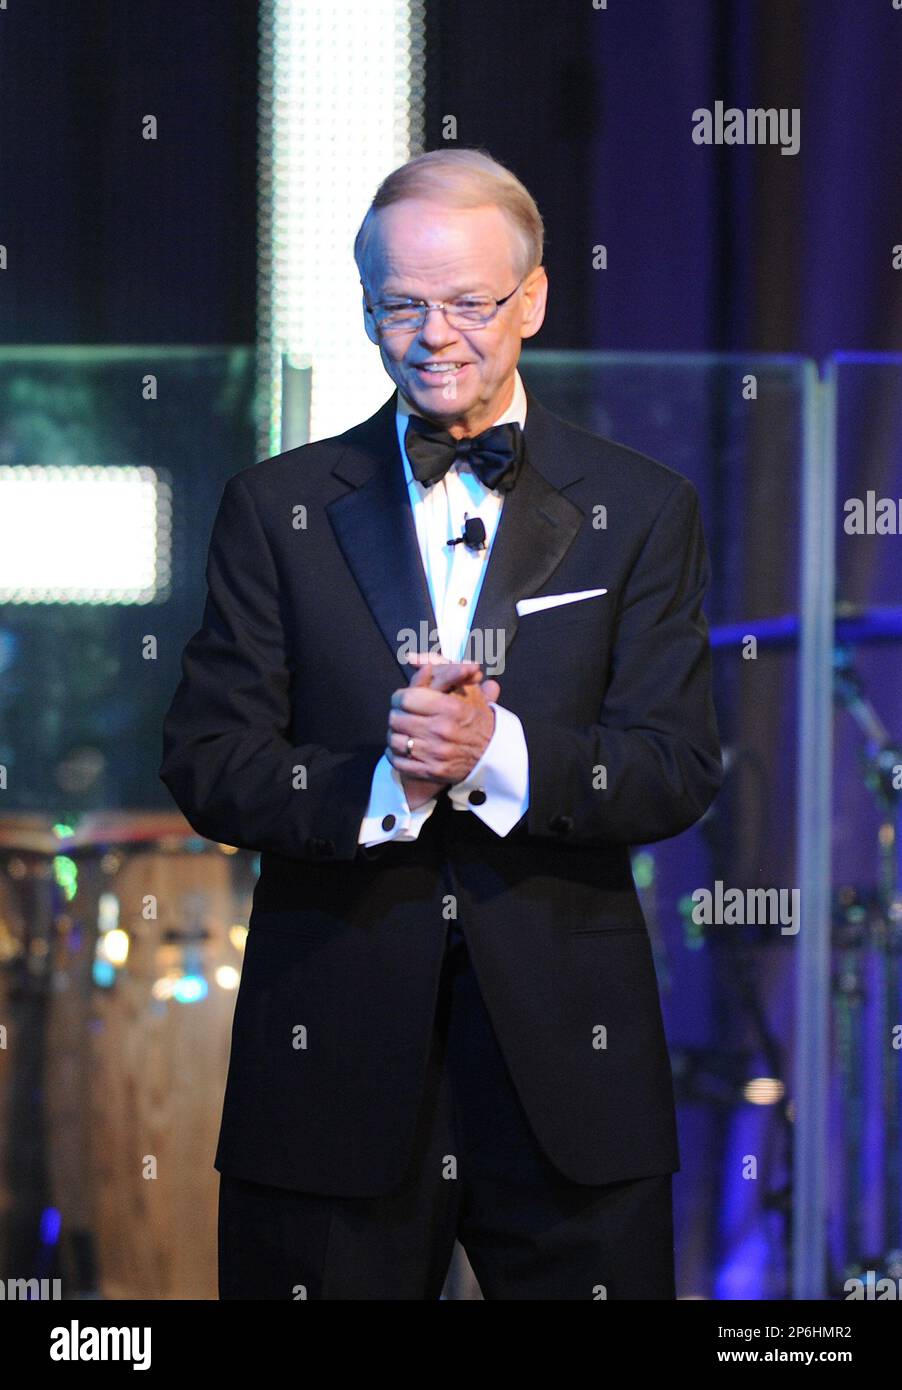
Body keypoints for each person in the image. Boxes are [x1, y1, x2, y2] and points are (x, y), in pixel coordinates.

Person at [159, 147, 723, 1300]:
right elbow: (209, 762)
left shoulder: (642, 509)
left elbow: (673, 768)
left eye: (467, 302)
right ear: (367, 310)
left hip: (572, 1072)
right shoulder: (276, 508)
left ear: (533, 301)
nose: (434, 334)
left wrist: (492, 756)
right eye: (400, 304)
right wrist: (388, 783)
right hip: (327, 1062)